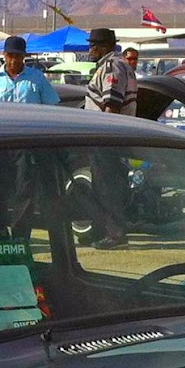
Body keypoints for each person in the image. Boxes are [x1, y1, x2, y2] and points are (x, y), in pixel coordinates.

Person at [82, 28, 137, 248]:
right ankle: (100, 229)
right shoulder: (119, 64)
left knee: (108, 185)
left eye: (94, 45)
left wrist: (105, 135)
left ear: (104, 47)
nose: (90, 49)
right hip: (109, 136)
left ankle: (115, 233)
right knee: (101, 183)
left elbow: (112, 104)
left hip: (107, 136)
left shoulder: (112, 66)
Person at [0, 35, 58, 103]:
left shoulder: (38, 78)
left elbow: (52, 106)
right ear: (4, 55)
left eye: (18, 55)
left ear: (24, 55)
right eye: (10, 55)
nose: (14, 60)